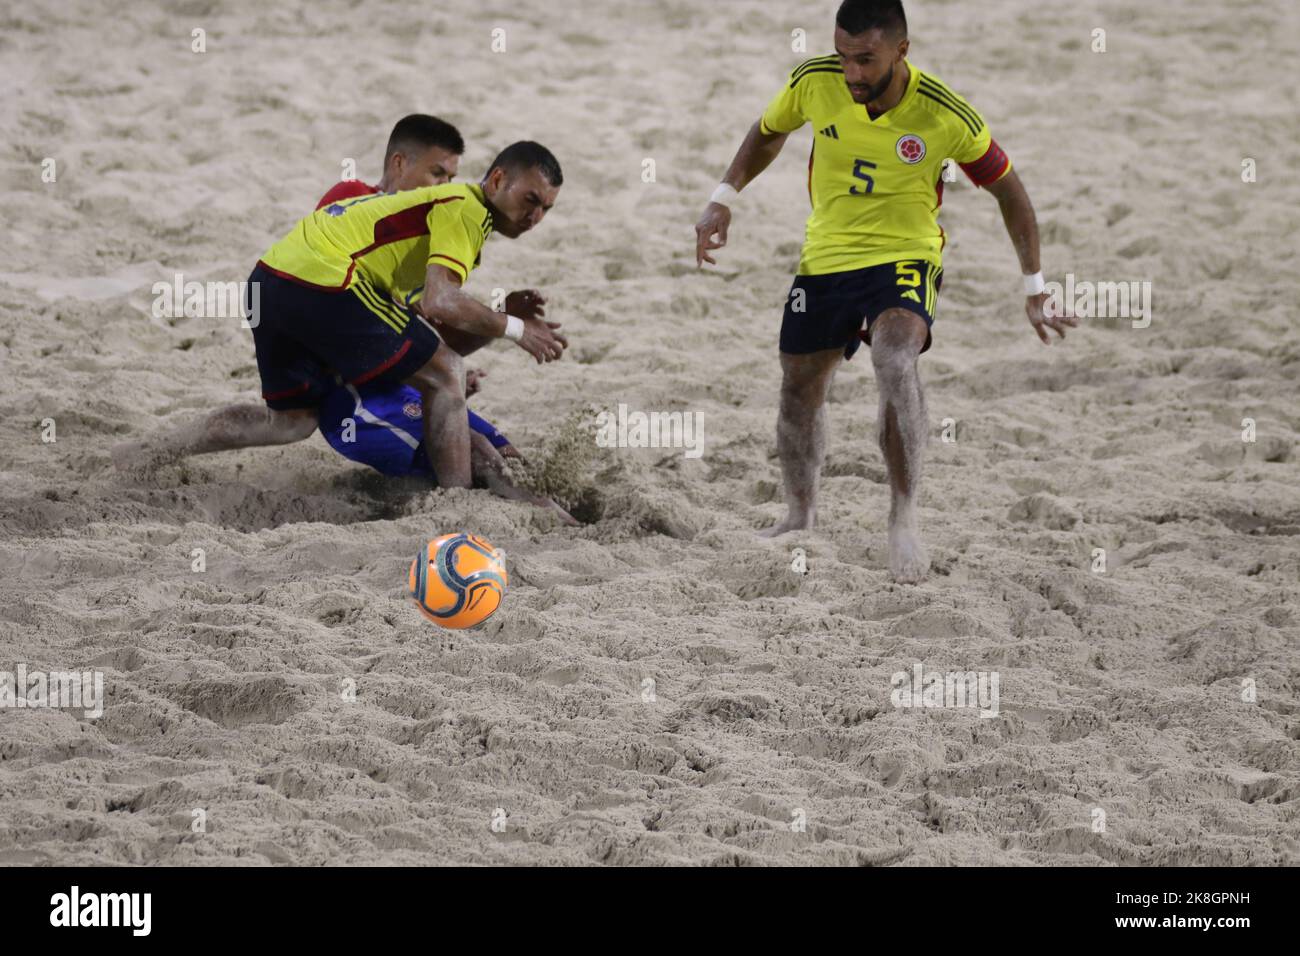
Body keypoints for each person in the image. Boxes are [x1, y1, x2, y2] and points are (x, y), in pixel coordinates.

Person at [693, 0, 1074, 583]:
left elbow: (1010, 192)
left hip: (905, 254)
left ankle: (903, 519)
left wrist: (1034, 285)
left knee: (894, 359)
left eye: (865, 60)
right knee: (798, 387)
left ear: (901, 51)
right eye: (844, 56)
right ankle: (800, 513)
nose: (851, 74)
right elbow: (769, 133)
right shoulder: (814, 81)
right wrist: (724, 196)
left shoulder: (947, 115)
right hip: (826, 256)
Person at [114, 141, 569, 497]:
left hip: (269, 278)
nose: (535, 216)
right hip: (325, 281)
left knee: (290, 421)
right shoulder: (465, 209)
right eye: (530, 199)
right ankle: (456, 506)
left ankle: (152, 451)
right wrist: (515, 329)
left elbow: (419, 327)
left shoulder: (401, 221)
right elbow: (442, 304)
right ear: (496, 180)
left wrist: (494, 323)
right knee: (447, 372)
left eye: (546, 208)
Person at [316, 113, 464, 207]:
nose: (446, 187)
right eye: (437, 173)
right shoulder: (351, 196)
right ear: (399, 164)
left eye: (450, 179)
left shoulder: (437, 227)